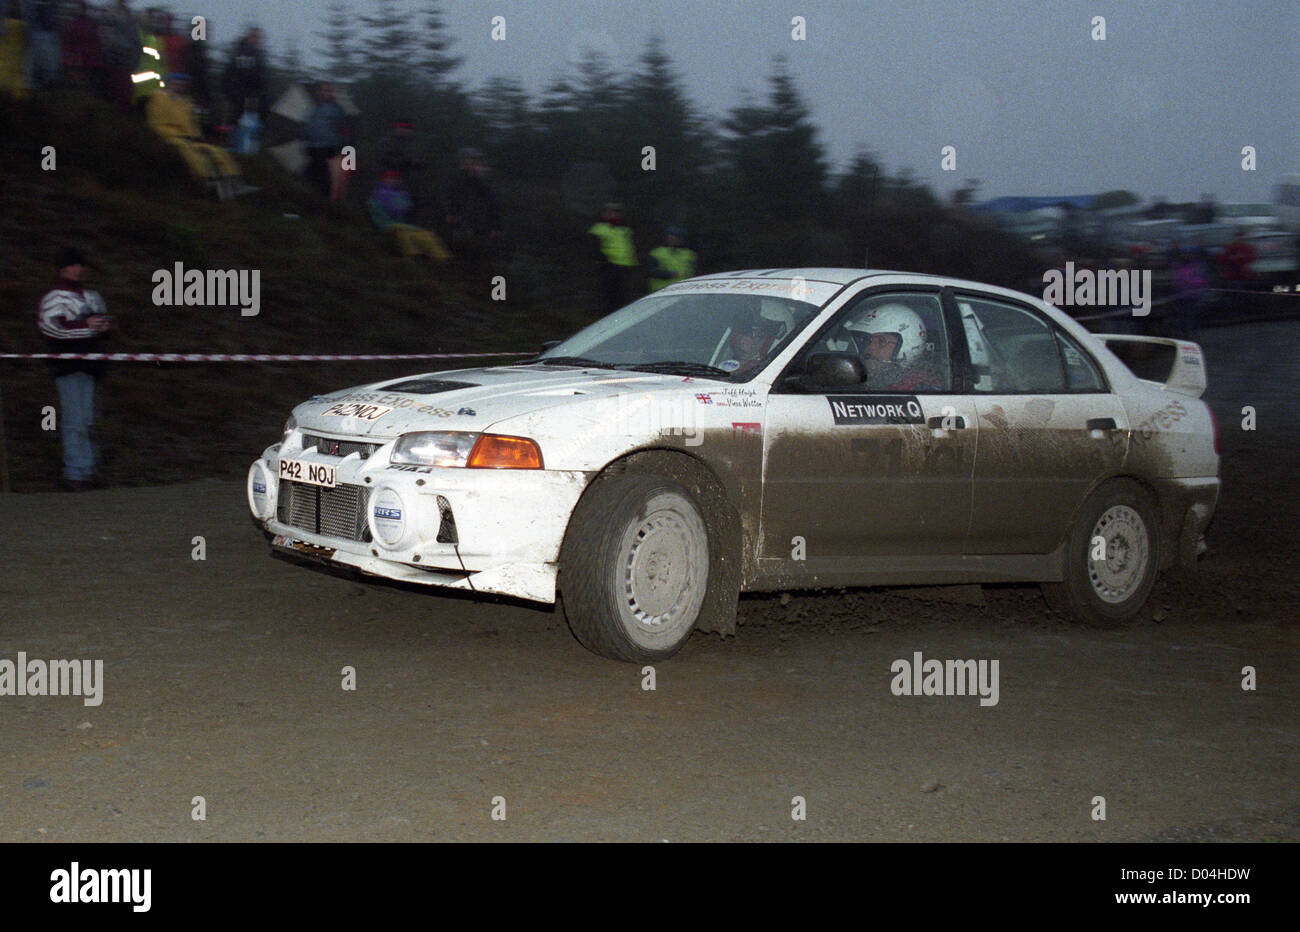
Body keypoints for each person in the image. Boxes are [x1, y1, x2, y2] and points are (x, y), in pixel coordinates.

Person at [37, 247, 114, 491]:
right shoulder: (53, 297)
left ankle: (89, 470)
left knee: (88, 419)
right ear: (62, 268)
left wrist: (103, 327)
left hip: (90, 364)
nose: (77, 269)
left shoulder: (91, 295)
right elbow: (51, 329)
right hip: (67, 364)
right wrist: (87, 327)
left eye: (80, 265)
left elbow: (104, 326)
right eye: (72, 265)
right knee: (74, 420)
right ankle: (74, 473)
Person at [146, 72, 252, 199]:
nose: (181, 87)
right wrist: (175, 135)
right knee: (190, 152)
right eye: (178, 84)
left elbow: (192, 124)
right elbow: (156, 122)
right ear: (171, 83)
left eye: (184, 85)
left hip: (191, 138)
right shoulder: (159, 98)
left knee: (217, 151)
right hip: (172, 136)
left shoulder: (187, 101)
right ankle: (206, 180)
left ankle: (234, 181)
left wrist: (198, 135)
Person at [850, 303, 943, 391]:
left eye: (881, 341)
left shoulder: (921, 390)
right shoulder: (874, 383)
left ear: (907, 348)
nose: (869, 348)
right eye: (868, 340)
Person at [367, 170, 451, 261]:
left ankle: (443, 259)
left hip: (403, 225)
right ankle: (414, 258)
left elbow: (407, 208)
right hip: (387, 224)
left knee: (426, 235)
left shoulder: (403, 194)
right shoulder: (376, 195)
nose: (393, 181)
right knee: (404, 234)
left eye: (395, 179)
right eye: (390, 178)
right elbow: (377, 213)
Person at [303, 81, 349, 202]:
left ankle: (325, 209)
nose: (325, 93)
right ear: (318, 92)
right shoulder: (313, 108)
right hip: (313, 148)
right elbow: (308, 127)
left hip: (329, 149)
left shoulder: (337, 109)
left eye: (328, 90)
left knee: (327, 182)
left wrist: (342, 149)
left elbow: (344, 129)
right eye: (323, 90)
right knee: (311, 179)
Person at [588, 202, 637, 315]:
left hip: (627, 268)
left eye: (617, 212)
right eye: (611, 212)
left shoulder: (625, 229)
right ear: (605, 213)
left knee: (624, 300)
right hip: (609, 268)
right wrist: (603, 261)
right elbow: (593, 249)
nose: (614, 214)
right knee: (609, 300)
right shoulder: (598, 228)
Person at [380, 118, 428, 219]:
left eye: (407, 128)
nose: (404, 130)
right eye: (401, 127)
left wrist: (419, 163)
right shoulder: (388, 142)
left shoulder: (416, 145)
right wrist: (407, 161)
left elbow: (425, 162)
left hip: (412, 185)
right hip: (391, 185)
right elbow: (385, 159)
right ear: (396, 128)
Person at [221, 26, 266, 124]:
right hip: (237, 101)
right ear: (248, 37)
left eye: (258, 37)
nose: (257, 40)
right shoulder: (241, 54)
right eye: (254, 37)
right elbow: (233, 77)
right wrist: (241, 97)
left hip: (252, 102)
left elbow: (261, 80)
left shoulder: (259, 56)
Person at [61, 0, 104, 97]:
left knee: (79, 88)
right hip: (83, 62)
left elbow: (66, 42)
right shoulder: (91, 24)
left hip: (80, 62)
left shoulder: (72, 24)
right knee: (83, 88)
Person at [647, 226, 697, 292]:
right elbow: (651, 272)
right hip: (662, 290)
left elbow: (695, 273)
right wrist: (669, 274)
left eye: (677, 237)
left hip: (684, 289)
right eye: (671, 237)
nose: (674, 239)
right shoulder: (656, 253)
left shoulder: (690, 254)